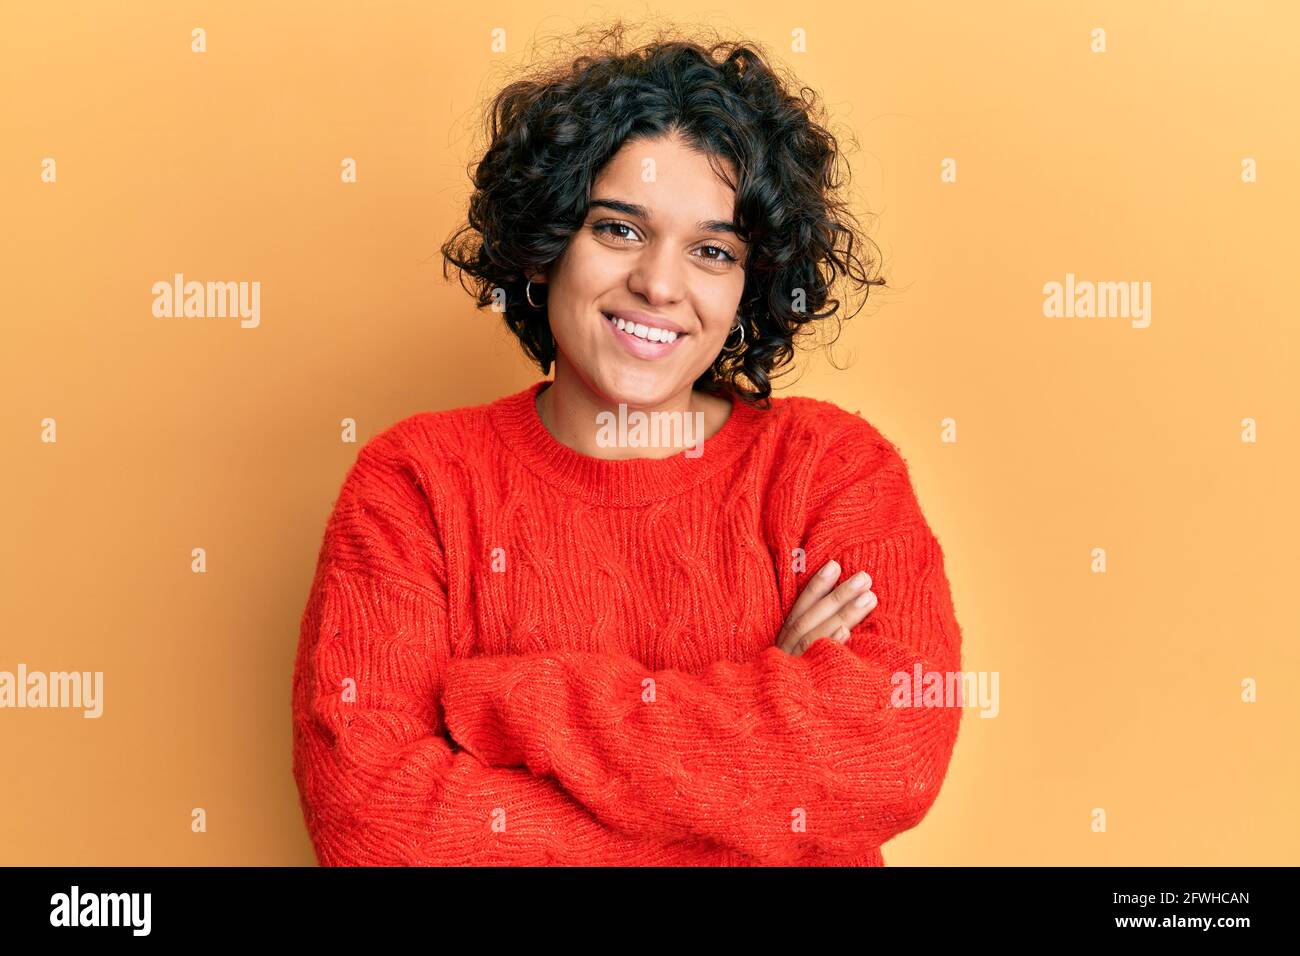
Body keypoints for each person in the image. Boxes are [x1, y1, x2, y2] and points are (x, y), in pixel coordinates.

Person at [291, 26, 963, 866]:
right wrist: (761, 736)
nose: (660, 283)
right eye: (618, 230)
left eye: (712, 250)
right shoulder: (415, 484)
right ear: (545, 250)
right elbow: (376, 829)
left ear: (747, 285)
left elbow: (892, 758)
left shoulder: (830, 470)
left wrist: (513, 704)